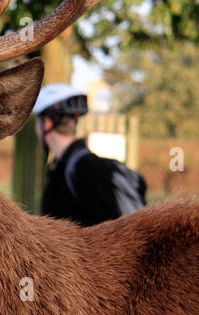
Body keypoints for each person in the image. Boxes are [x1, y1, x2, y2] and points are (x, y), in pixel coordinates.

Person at [34, 84, 145, 226]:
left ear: (47, 123)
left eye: (38, 121)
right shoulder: (63, 166)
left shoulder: (84, 168)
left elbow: (122, 229)